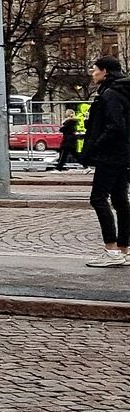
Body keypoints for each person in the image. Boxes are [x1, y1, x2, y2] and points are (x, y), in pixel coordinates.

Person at [79, 56, 130, 267]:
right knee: (120, 201)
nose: (93, 73)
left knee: (98, 198)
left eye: (95, 70)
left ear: (105, 72)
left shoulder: (109, 95)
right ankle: (124, 248)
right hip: (123, 154)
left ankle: (111, 249)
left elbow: (114, 127)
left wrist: (93, 146)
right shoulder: (123, 91)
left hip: (110, 155)